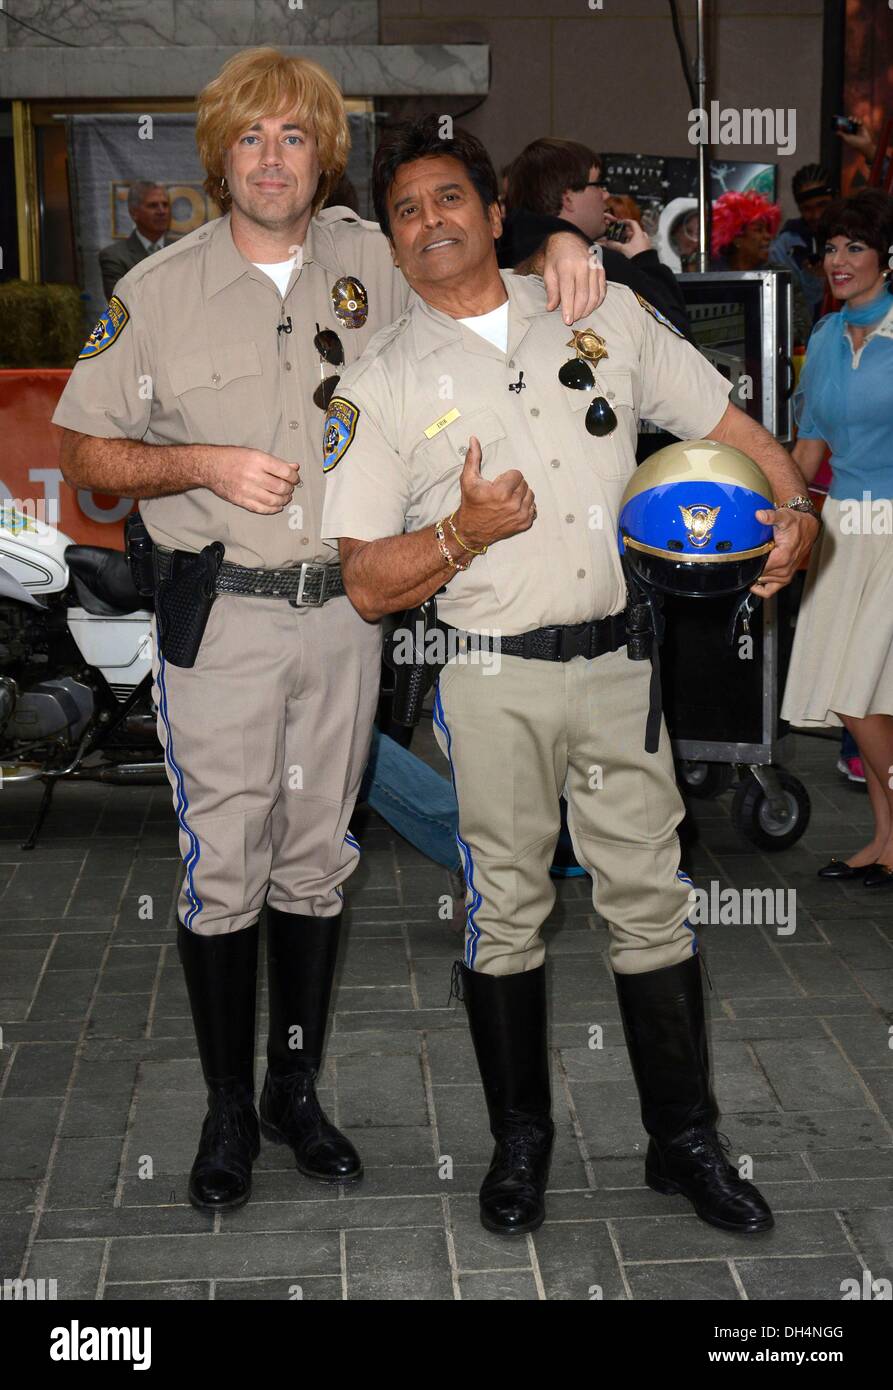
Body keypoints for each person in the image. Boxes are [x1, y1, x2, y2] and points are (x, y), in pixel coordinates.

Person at [52, 49, 603, 1216]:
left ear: (321, 155)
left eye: (292, 137)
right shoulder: (157, 289)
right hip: (228, 620)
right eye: (248, 138)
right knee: (226, 871)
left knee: (316, 866)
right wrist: (195, 460)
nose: (270, 158)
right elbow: (87, 455)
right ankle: (225, 1108)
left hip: (350, 617)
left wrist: (556, 246)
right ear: (217, 157)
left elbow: (477, 283)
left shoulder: (372, 258)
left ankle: (292, 1091)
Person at [321, 115, 818, 1238]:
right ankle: (518, 1143)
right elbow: (362, 583)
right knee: (505, 915)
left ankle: (681, 1140)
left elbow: (729, 421)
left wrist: (791, 507)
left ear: (497, 216)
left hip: (616, 666)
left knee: (651, 906)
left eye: (448, 198)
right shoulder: (380, 382)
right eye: (404, 210)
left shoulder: (598, 311)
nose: (427, 222)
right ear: (392, 241)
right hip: (490, 681)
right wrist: (456, 533)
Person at [780, 189, 893, 886]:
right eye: (829, 248)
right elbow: (810, 446)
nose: (837, 261)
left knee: (859, 693)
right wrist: (782, 515)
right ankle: (885, 842)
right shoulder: (823, 338)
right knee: (865, 702)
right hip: (844, 529)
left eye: (854, 247)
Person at [500, 137, 691, 338]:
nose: (606, 195)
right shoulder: (599, 264)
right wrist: (644, 260)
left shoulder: (497, 255)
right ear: (568, 198)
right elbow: (678, 335)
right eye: (599, 184)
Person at [770, 164, 836, 329]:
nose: (816, 215)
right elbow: (787, 309)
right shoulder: (785, 246)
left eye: (822, 205)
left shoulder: (855, 233)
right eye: (807, 209)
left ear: (837, 198)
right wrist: (815, 279)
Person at [98, 182, 173, 301]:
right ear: (134, 213)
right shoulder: (114, 256)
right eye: (153, 205)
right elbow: (121, 303)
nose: (162, 211)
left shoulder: (183, 248)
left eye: (165, 204)